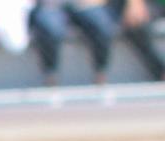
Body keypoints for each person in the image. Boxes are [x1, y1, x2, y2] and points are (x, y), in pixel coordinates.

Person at [30, 0, 165, 83]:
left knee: (103, 24)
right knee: (49, 26)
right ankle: (51, 77)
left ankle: (101, 75)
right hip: (52, 6)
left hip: (90, 6)